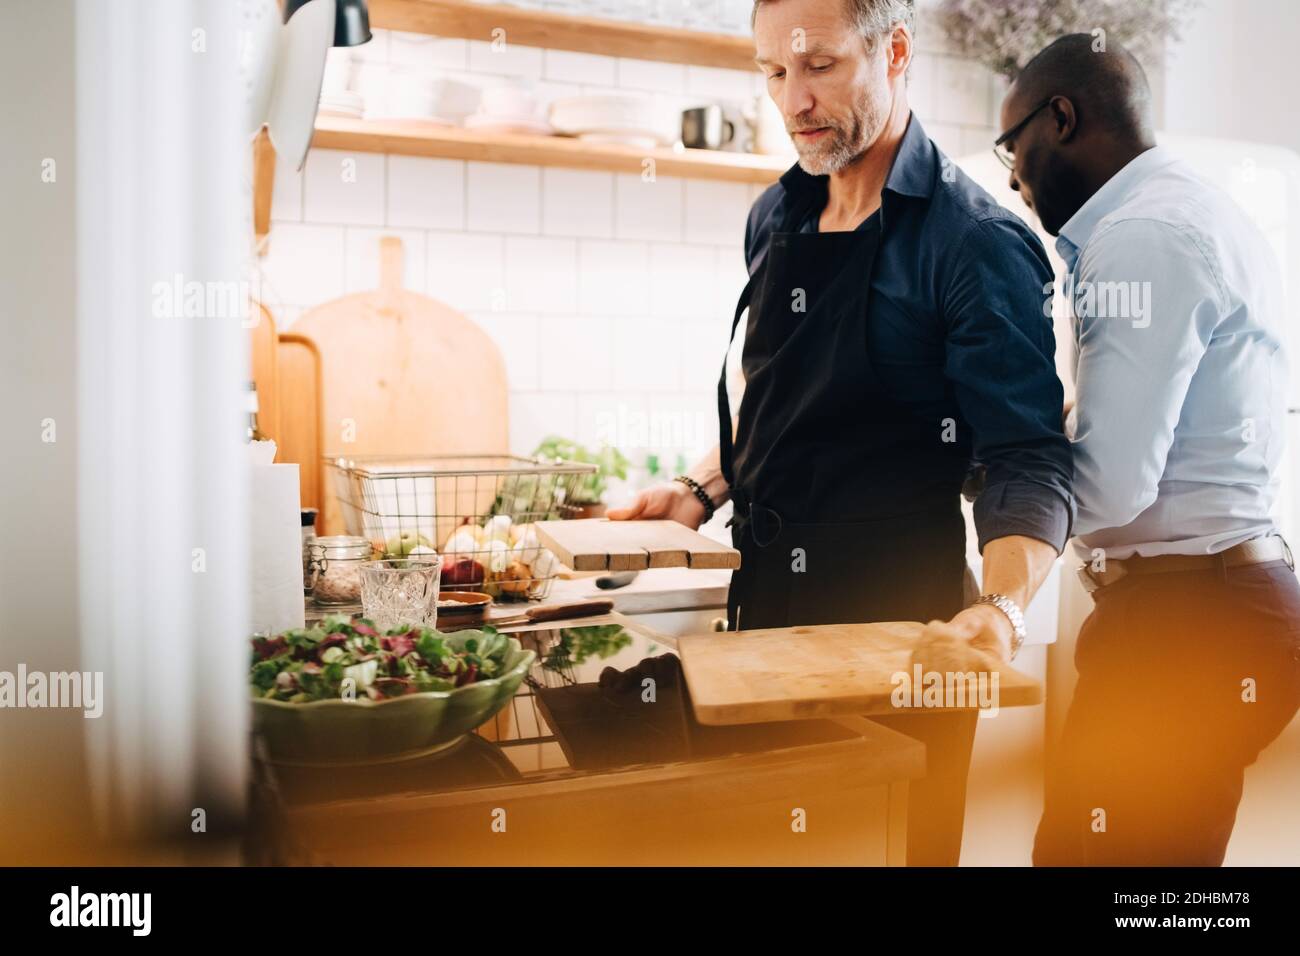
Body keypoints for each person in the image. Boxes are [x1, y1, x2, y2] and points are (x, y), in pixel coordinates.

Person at [609, 0, 1074, 865]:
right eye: (774, 73)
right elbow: (782, 402)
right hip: (764, 626)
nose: (793, 101)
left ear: (895, 52)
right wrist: (700, 490)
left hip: (901, 645)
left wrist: (1003, 610)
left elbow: (1028, 458)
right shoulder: (776, 217)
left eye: (819, 66)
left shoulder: (971, 242)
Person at [996, 33, 1300, 865]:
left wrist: (995, 474)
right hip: (1212, 609)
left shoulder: (1142, 236)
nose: (1011, 177)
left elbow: (1113, 485)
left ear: (1060, 118)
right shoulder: (1189, 213)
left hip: (1191, 624)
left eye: (1011, 146)